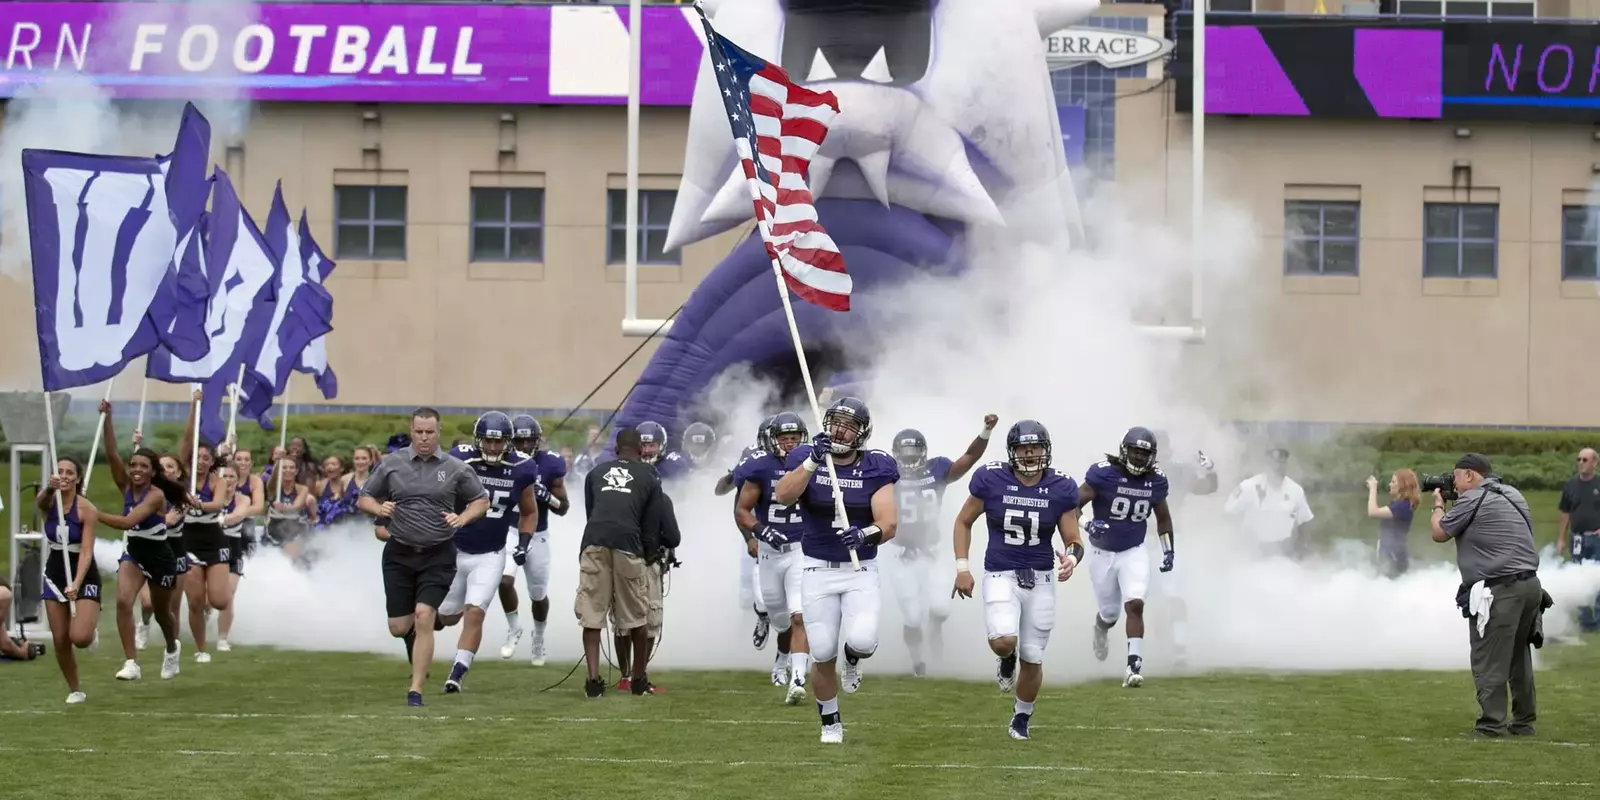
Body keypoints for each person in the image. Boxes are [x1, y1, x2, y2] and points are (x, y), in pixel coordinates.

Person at [773, 395, 900, 745]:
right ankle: (830, 722)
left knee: (863, 641)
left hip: (860, 569)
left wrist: (864, 534)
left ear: (862, 432)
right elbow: (783, 495)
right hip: (817, 568)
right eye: (837, 423)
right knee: (822, 650)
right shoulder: (807, 455)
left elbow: (888, 523)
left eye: (850, 425)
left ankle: (853, 657)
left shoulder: (877, 466)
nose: (841, 431)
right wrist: (812, 461)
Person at [951, 420, 1084, 740]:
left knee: (1034, 656)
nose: (1030, 453)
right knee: (1003, 641)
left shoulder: (1061, 486)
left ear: (1045, 450)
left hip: (1041, 577)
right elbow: (963, 521)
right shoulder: (991, 479)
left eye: (1035, 447)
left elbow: (1073, 539)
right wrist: (962, 568)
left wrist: (1072, 559)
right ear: (1012, 452)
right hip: (1001, 571)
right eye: (1024, 448)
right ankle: (1006, 658)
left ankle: (1021, 718)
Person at [358, 407, 490, 707]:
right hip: (399, 552)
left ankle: (415, 690)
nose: (424, 437)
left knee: (424, 615)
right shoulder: (392, 463)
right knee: (399, 627)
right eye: (419, 432)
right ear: (411, 431)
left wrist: (463, 518)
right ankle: (418, 632)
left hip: (438, 553)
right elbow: (364, 497)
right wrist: (379, 508)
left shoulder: (456, 468)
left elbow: (481, 500)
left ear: (438, 432)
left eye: (430, 432)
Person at [1431, 453, 1545, 737]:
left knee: (1490, 658)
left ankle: (1492, 725)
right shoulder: (1513, 494)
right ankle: (1523, 722)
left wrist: (1438, 505)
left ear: (1470, 475)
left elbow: (1439, 533)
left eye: (1456, 477)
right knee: (1518, 657)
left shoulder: (1473, 498)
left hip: (1500, 591)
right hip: (1531, 588)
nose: (1454, 484)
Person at [886, 416, 996, 677]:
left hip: (932, 550)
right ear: (895, 454)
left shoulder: (936, 469)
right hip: (901, 554)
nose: (910, 458)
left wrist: (986, 431)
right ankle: (917, 661)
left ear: (924, 453)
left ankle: (935, 627)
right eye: (905, 453)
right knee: (912, 616)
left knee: (941, 608)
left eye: (914, 453)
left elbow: (969, 458)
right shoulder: (885, 474)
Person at [439, 412, 538, 693]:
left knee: (475, 612)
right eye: (488, 441)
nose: (493, 447)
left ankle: (457, 673)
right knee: (448, 617)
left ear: (508, 442)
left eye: (499, 442)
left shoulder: (521, 467)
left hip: (491, 553)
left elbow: (529, 512)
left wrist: (524, 542)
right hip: (454, 548)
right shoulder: (460, 459)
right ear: (478, 440)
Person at [575, 428, 677, 697]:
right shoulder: (650, 475)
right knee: (636, 618)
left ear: (616, 449)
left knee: (591, 616)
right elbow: (651, 525)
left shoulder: (595, 473)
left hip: (594, 542)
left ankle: (593, 683)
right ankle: (638, 680)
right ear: (641, 450)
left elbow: (591, 513)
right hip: (628, 545)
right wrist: (649, 554)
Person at [1077, 427, 1174, 688]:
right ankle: (1100, 629)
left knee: (1135, 603)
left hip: (1134, 550)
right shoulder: (1104, 474)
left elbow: (1163, 518)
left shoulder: (1156, 480)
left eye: (1145, 453)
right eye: (1135, 451)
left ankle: (1133, 665)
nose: (1140, 457)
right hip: (1102, 552)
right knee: (1110, 613)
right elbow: (1071, 504)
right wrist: (1088, 525)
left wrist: (1168, 550)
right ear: (1124, 450)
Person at [101, 403, 189, 682]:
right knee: (123, 601)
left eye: (143, 466)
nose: (136, 470)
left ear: (153, 472)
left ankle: (172, 648)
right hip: (135, 554)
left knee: (162, 614)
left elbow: (128, 522)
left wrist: (92, 513)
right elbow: (111, 453)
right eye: (134, 465)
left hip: (160, 557)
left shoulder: (156, 496)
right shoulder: (126, 486)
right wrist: (107, 418)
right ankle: (131, 663)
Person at [733, 411, 811, 702]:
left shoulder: (812, 463)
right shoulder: (761, 466)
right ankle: (781, 657)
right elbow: (741, 511)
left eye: (794, 438)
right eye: (784, 438)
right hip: (769, 553)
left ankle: (797, 678)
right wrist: (761, 530)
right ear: (773, 439)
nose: (790, 443)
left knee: (799, 615)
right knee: (780, 620)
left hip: (801, 550)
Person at [499, 414, 569, 665]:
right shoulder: (502, 461)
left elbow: (564, 508)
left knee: (538, 595)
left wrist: (547, 496)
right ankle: (514, 627)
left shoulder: (551, 464)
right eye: (519, 441)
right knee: (504, 581)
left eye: (529, 440)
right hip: (510, 530)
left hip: (538, 535)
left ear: (538, 440)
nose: (525, 445)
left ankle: (538, 636)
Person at [36, 456, 102, 703]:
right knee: (61, 639)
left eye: (69, 473)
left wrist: (76, 582)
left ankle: (90, 630)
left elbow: (86, 551)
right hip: (55, 572)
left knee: (80, 638)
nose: (64, 476)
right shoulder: (48, 501)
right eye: (60, 471)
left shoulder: (86, 509)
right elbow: (41, 501)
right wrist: (49, 488)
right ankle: (75, 689)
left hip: (82, 572)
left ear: (78, 478)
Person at [181, 460, 236, 663]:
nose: (201, 461)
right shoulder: (183, 482)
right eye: (199, 457)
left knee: (219, 601)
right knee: (195, 602)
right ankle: (201, 649)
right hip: (188, 542)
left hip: (214, 542)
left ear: (211, 461)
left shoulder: (217, 482)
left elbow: (217, 505)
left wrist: (197, 504)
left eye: (206, 458)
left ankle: (210, 606)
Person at [1223, 447, 1313, 559]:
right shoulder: (1248, 487)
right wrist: (1236, 543)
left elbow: (1306, 521)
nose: (1277, 466)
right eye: (1273, 462)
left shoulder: (1295, 490)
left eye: (1281, 462)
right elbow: (1229, 513)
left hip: (1284, 551)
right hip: (1253, 551)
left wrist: (1302, 548)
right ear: (1266, 464)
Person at [1367, 469, 1421, 578]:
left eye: (1393, 482)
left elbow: (1373, 512)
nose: (1390, 485)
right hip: (1390, 556)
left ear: (1403, 485)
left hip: (1393, 558)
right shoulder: (1400, 505)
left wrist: (1373, 489)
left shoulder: (1402, 506)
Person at [264, 459, 314, 565]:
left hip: (295, 525)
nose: (288, 470)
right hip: (275, 525)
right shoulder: (273, 488)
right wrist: (279, 461)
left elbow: (297, 505)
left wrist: (284, 508)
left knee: (296, 548)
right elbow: (270, 484)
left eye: (291, 468)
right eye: (284, 467)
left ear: (296, 471)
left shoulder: (302, 489)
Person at [1557, 448, 1600, 563]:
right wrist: (1561, 539)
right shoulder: (1570, 485)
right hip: (1577, 538)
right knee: (1576, 568)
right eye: (1579, 459)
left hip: (1597, 539)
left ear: (1594, 463)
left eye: (1585, 460)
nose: (1581, 463)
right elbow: (1565, 512)